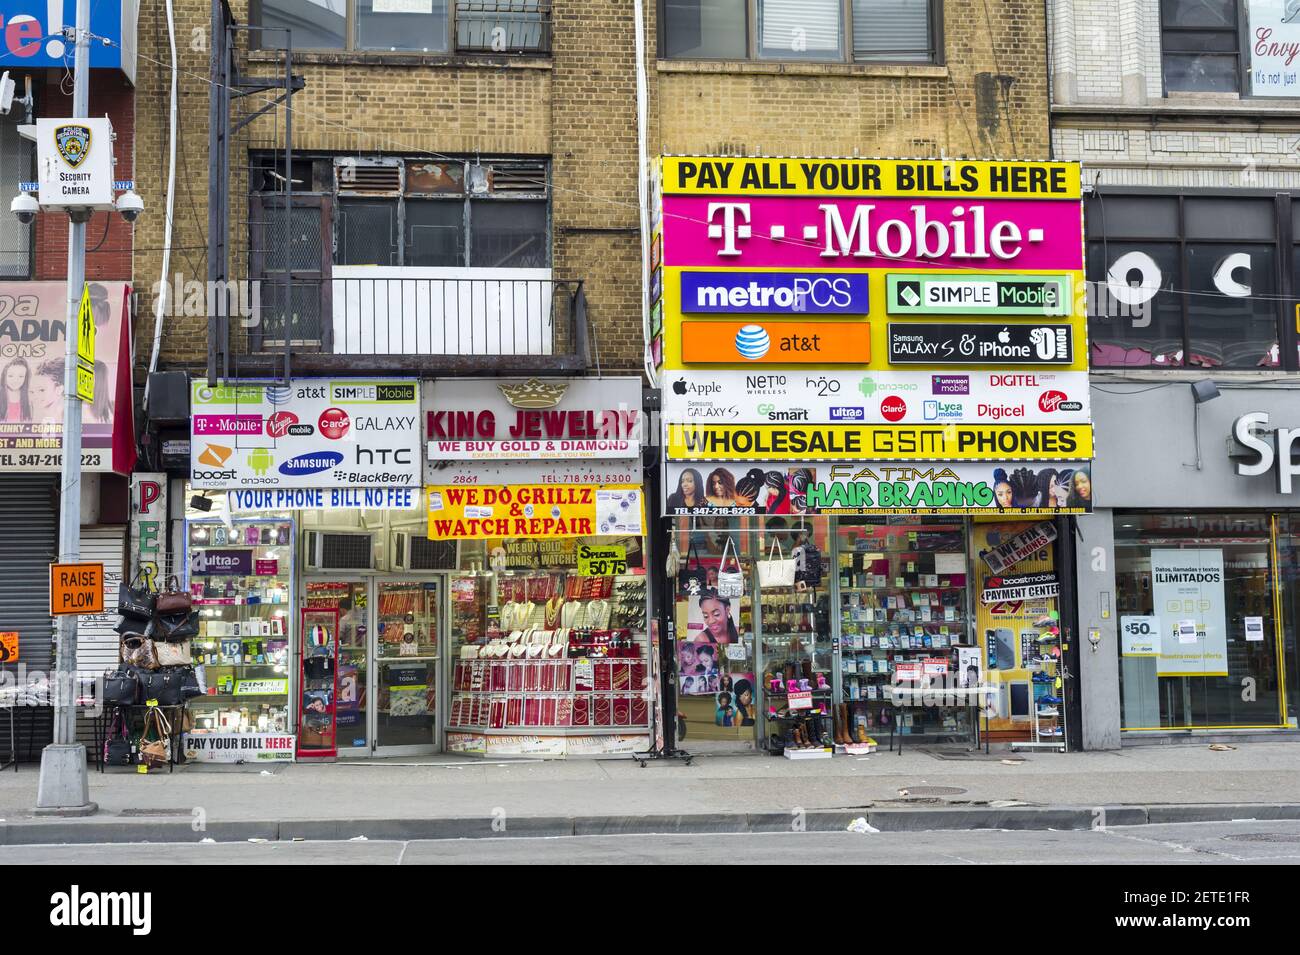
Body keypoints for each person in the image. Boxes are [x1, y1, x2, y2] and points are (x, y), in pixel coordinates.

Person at [1, 358, 31, 422]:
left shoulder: (30, 399)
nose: (15, 380)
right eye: (11, 376)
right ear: (4, 376)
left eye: (21, 376)